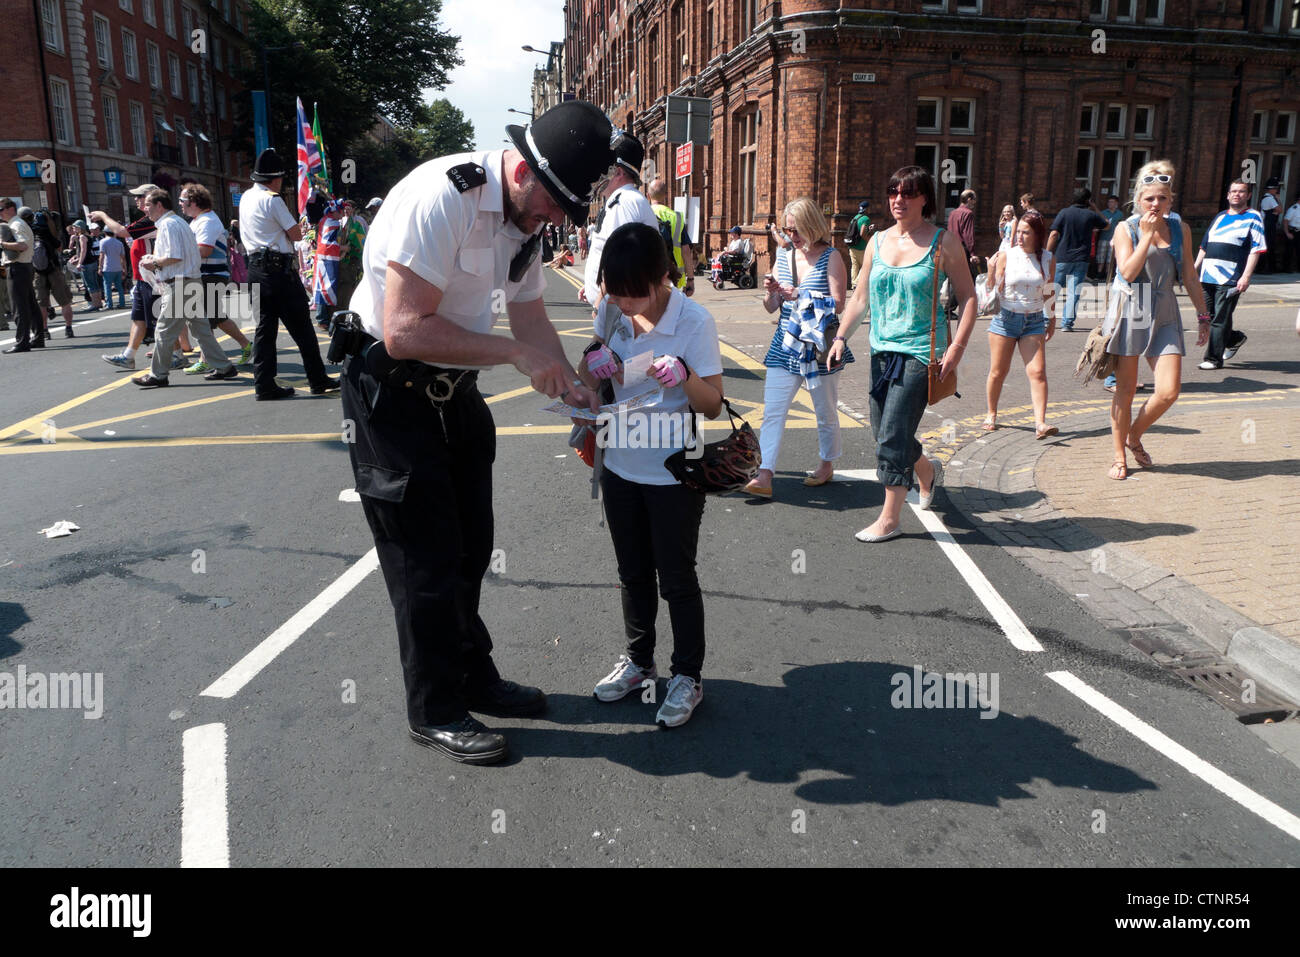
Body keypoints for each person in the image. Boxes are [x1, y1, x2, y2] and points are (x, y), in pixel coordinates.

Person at [338, 100, 615, 765]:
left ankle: (471, 673)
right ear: (522, 168)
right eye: (551, 205)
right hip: (392, 394)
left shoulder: (526, 220)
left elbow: (530, 321)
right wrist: (518, 358)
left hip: (452, 394)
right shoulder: (446, 197)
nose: (553, 222)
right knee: (424, 562)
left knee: (470, 549)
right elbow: (403, 331)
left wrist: (572, 387)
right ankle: (434, 707)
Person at [580, 223, 724, 728]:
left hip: (672, 473)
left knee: (677, 577)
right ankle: (640, 664)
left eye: (629, 293)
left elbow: (712, 404)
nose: (619, 303)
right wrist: (594, 363)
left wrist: (685, 376)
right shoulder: (613, 308)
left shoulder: (694, 321)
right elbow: (595, 369)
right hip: (620, 463)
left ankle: (688, 675)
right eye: (612, 292)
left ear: (662, 277)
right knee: (632, 572)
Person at [831, 165, 977, 542]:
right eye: (893, 192)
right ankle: (927, 472)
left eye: (908, 193)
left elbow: (970, 296)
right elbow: (860, 298)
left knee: (893, 435)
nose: (899, 200)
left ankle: (891, 518)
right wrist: (841, 337)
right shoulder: (877, 242)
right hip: (882, 351)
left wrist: (957, 349)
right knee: (883, 433)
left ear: (925, 198)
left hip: (921, 353)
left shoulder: (942, 242)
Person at [1104, 160, 1210, 480]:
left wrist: (1203, 314)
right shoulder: (1127, 228)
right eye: (1150, 198)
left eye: (1162, 198)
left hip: (1165, 310)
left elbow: (1190, 275)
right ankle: (1119, 455)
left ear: (1171, 200)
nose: (1156, 204)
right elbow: (1127, 272)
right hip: (1134, 309)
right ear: (1138, 200)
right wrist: (1147, 237)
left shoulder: (1181, 228)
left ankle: (1133, 435)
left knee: (1168, 391)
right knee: (1125, 390)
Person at [745, 197, 852, 497]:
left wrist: (800, 295)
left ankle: (826, 464)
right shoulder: (784, 255)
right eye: (787, 230)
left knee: (825, 411)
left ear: (812, 226)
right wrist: (772, 294)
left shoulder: (831, 257)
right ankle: (765, 474)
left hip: (818, 345)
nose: (792, 236)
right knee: (774, 411)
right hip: (786, 342)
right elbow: (771, 308)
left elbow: (839, 303)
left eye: (797, 230)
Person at [238, 148, 339, 399]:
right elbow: (296, 234)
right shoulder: (272, 199)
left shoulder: (247, 198)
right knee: (303, 327)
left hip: (256, 269)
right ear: (275, 178)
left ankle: (264, 384)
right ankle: (317, 378)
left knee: (265, 330)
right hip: (278, 271)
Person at [129, 189, 238, 388]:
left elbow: (174, 256)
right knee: (201, 329)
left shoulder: (169, 225)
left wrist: (153, 263)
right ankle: (224, 367)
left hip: (180, 283)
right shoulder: (178, 222)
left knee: (163, 330)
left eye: (148, 206)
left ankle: (158, 375)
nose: (145, 210)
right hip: (190, 280)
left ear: (160, 206)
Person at [983, 211, 1057, 438]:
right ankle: (991, 413)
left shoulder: (1047, 258)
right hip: (1006, 319)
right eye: (1019, 232)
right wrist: (990, 272)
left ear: (1037, 235)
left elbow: (1049, 290)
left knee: (1038, 372)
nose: (1020, 236)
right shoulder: (1007, 255)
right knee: (998, 372)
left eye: (1026, 232)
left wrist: (1051, 318)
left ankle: (1040, 423)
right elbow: (990, 289)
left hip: (1033, 321)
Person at [179, 183, 253, 371]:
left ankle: (208, 359)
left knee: (205, 318)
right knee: (213, 317)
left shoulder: (207, 221)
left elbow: (204, 250)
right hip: (205, 275)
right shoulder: (197, 220)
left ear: (194, 201)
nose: (180, 204)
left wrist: (178, 253)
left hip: (212, 275)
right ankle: (245, 346)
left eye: (182, 200)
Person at [1193, 180, 1265, 371]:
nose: (1237, 194)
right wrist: (1193, 269)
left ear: (1248, 195)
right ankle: (1234, 338)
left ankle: (1213, 359)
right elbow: (1204, 245)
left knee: (1220, 318)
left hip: (1230, 277)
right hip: (1207, 275)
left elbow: (1256, 249)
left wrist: (1246, 276)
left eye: (1241, 192)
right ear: (1227, 195)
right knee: (1207, 315)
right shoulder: (1219, 217)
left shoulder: (1253, 217)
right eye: (1233, 191)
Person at [581, 133, 657, 304]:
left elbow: (620, 265)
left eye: (603, 167)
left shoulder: (623, 202)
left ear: (618, 172)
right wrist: (591, 286)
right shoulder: (624, 199)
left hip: (616, 312)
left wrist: (600, 307)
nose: (596, 173)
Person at [95, 184, 163, 370]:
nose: (136, 199)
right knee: (139, 318)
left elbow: (121, 232)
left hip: (153, 279)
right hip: (143, 278)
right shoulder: (147, 219)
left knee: (160, 321)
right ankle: (128, 356)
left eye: (140, 196)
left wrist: (102, 216)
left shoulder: (152, 221)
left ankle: (176, 354)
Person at [1048, 187, 1109, 332]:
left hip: (1063, 257)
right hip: (1082, 258)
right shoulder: (1090, 215)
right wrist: (1095, 208)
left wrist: (1047, 253)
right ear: (1088, 200)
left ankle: (1045, 319)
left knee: (1053, 289)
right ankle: (1067, 323)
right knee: (1074, 292)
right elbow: (1107, 225)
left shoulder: (1064, 212)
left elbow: (1054, 234)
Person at [1, 199, 42, 353]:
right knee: (31, 305)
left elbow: (22, 245)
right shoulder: (17, 223)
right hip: (24, 267)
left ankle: (22, 342)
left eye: (1, 209)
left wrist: (2, 244)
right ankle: (38, 338)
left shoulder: (16, 224)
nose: (0, 212)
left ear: (11, 209)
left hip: (17, 267)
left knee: (19, 306)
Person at [645, 176, 696, 296]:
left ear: (648, 195)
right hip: (674, 277)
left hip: (648, 276)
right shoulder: (676, 217)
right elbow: (686, 251)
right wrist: (690, 279)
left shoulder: (643, 215)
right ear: (665, 195)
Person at [70, 222, 103, 312]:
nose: (74, 229)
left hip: (87, 263)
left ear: (80, 228)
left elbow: (83, 251)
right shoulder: (88, 236)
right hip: (92, 262)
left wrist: (79, 262)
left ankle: (94, 304)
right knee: (95, 284)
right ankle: (99, 303)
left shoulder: (82, 237)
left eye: (75, 227)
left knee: (90, 284)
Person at [946, 189, 979, 277]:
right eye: (974, 199)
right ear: (969, 199)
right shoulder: (968, 213)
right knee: (965, 277)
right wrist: (972, 253)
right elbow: (968, 235)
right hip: (962, 250)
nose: (975, 202)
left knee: (951, 276)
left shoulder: (952, 213)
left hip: (950, 248)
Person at [1096, 195, 1124, 281]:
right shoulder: (1104, 213)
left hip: (1114, 238)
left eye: (1112, 202)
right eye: (1109, 202)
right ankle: (1099, 274)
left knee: (1110, 258)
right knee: (1101, 257)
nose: (1110, 204)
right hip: (1103, 237)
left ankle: (1108, 274)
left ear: (1116, 203)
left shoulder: (1120, 214)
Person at [847, 200, 874, 287]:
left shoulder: (855, 217)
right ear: (867, 209)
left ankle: (854, 284)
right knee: (866, 265)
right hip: (861, 246)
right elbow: (862, 233)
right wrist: (868, 241)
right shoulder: (866, 219)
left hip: (852, 245)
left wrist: (868, 229)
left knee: (855, 266)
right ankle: (858, 283)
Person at [1259, 178, 1282, 274]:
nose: (1276, 191)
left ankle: (1266, 267)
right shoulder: (1270, 199)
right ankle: (1265, 268)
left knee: (1268, 245)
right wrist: (1279, 200)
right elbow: (1280, 210)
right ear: (1271, 189)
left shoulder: (1266, 198)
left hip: (1267, 225)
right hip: (1268, 226)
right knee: (1268, 246)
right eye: (1275, 188)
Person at [1283, 190, 1300, 273]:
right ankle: (1286, 268)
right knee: (1289, 251)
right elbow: (1286, 220)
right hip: (1293, 231)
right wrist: (1287, 233)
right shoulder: (1294, 208)